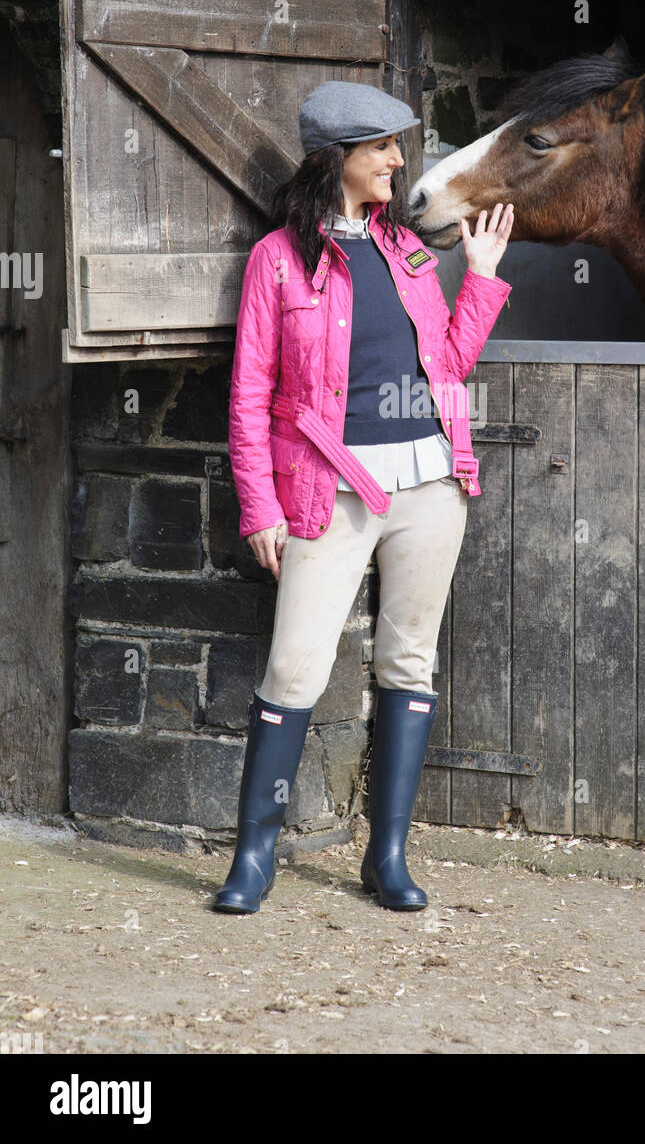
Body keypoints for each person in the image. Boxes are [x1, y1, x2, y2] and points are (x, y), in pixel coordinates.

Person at [214, 80, 513, 915]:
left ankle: (386, 858)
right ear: (338, 156)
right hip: (326, 489)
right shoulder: (281, 258)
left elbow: (446, 367)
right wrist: (260, 507)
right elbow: (248, 394)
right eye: (382, 147)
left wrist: (480, 278)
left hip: (430, 484)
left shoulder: (412, 252)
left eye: (397, 145)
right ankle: (253, 860)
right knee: (293, 668)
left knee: (408, 661)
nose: (397, 161)